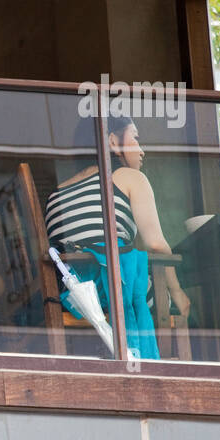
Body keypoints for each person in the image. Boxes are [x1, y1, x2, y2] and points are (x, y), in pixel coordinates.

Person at [44, 113, 190, 347]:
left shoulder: (55, 195)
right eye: (135, 138)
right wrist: (179, 292)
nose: (141, 150)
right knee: (173, 301)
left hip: (75, 298)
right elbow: (155, 244)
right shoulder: (130, 178)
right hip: (116, 290)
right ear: (112, 141)